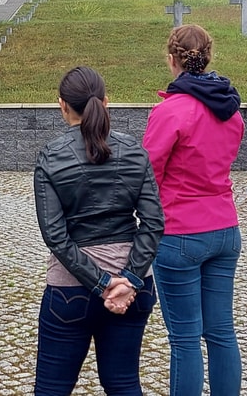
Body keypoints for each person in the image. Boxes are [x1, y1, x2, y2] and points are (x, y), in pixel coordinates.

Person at [33, 66, 165, 396]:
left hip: (71, 288)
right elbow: (153, 222)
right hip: (134, 289)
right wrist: (129, 279)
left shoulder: (51, 156)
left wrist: (102, 282)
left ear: (62, 105)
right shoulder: (134, 151)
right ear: (107, 102)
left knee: (52, 388)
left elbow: (55, 235)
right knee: (123, 383)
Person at [142, 24, 245, 396]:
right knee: (221, 332)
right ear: (208, 57)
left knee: (185, 338)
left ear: (172, 60)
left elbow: (147, 174)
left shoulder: (171, 112)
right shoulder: (231, 111)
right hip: (225, 227)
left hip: (181, 231)